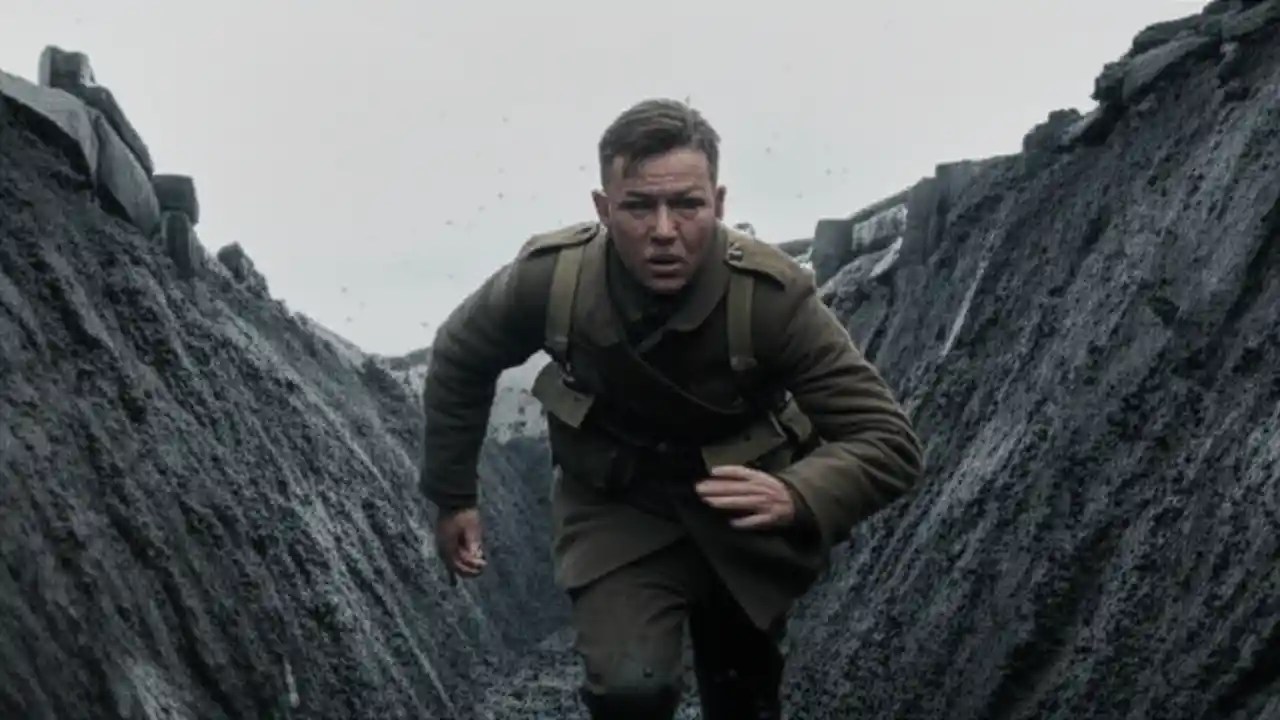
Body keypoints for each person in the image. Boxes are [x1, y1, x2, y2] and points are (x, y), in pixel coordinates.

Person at [419, 97, 924, 719]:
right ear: (603, 209)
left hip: (743, 507)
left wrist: (799, 494)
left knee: (742, 695)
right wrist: (454, 497)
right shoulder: (553, 281)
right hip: (618, 500)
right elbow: (461, 354)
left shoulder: (771, 299)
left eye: (687, 205)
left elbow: (887, 439)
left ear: (719, 203)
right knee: (631, 690)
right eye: (639, 206)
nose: (664, 231)